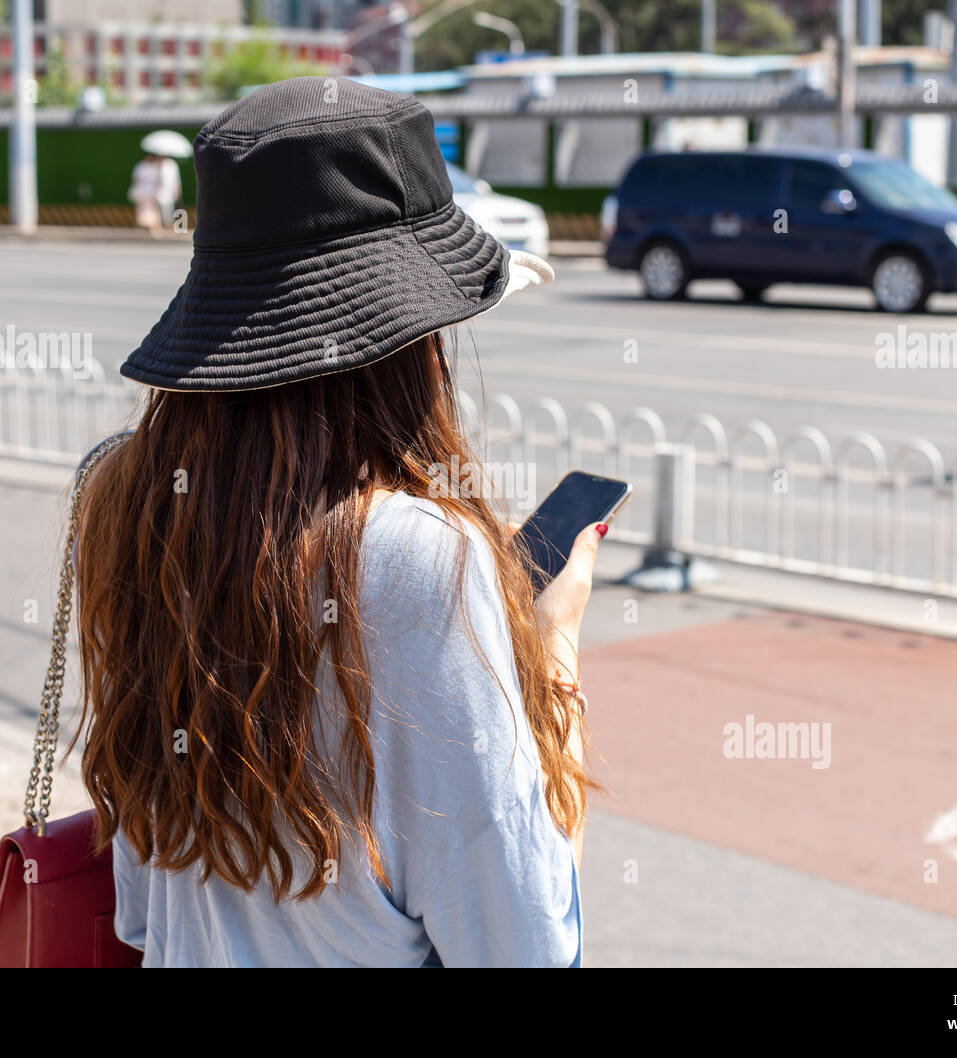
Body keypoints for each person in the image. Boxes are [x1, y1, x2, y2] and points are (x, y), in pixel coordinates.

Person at [73, 77, 607, 967]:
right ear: (413, 342)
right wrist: (552, 658)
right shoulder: (422, 560)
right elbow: (527, 946)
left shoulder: (129, 504)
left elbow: (138, 907)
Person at [127, 152, 181, 233]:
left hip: (157, 192)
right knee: (146, 210)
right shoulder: (142, 166)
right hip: (149, 193)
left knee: (165, 209)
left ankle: (166, 226)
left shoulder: (170, 165)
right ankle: (151, 226)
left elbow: (174, 179)